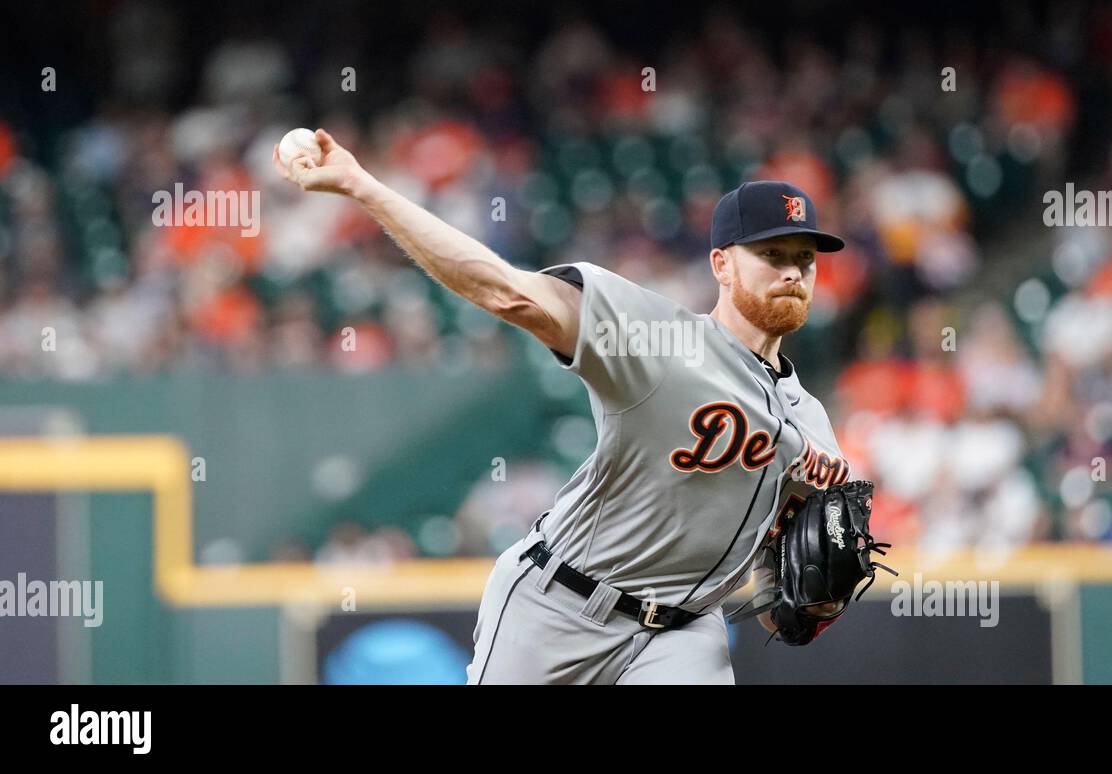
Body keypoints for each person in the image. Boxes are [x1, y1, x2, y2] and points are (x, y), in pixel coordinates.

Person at [275, 130, 857, 684]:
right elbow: (505, 290)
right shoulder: (657, 340)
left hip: (684, 633)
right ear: (721, 264)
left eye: (804, 259)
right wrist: (362, 187)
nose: (791, 273)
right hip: (562, 604)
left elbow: (773, 591)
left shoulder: (813, 427)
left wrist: (808, 596)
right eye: (772, 253)